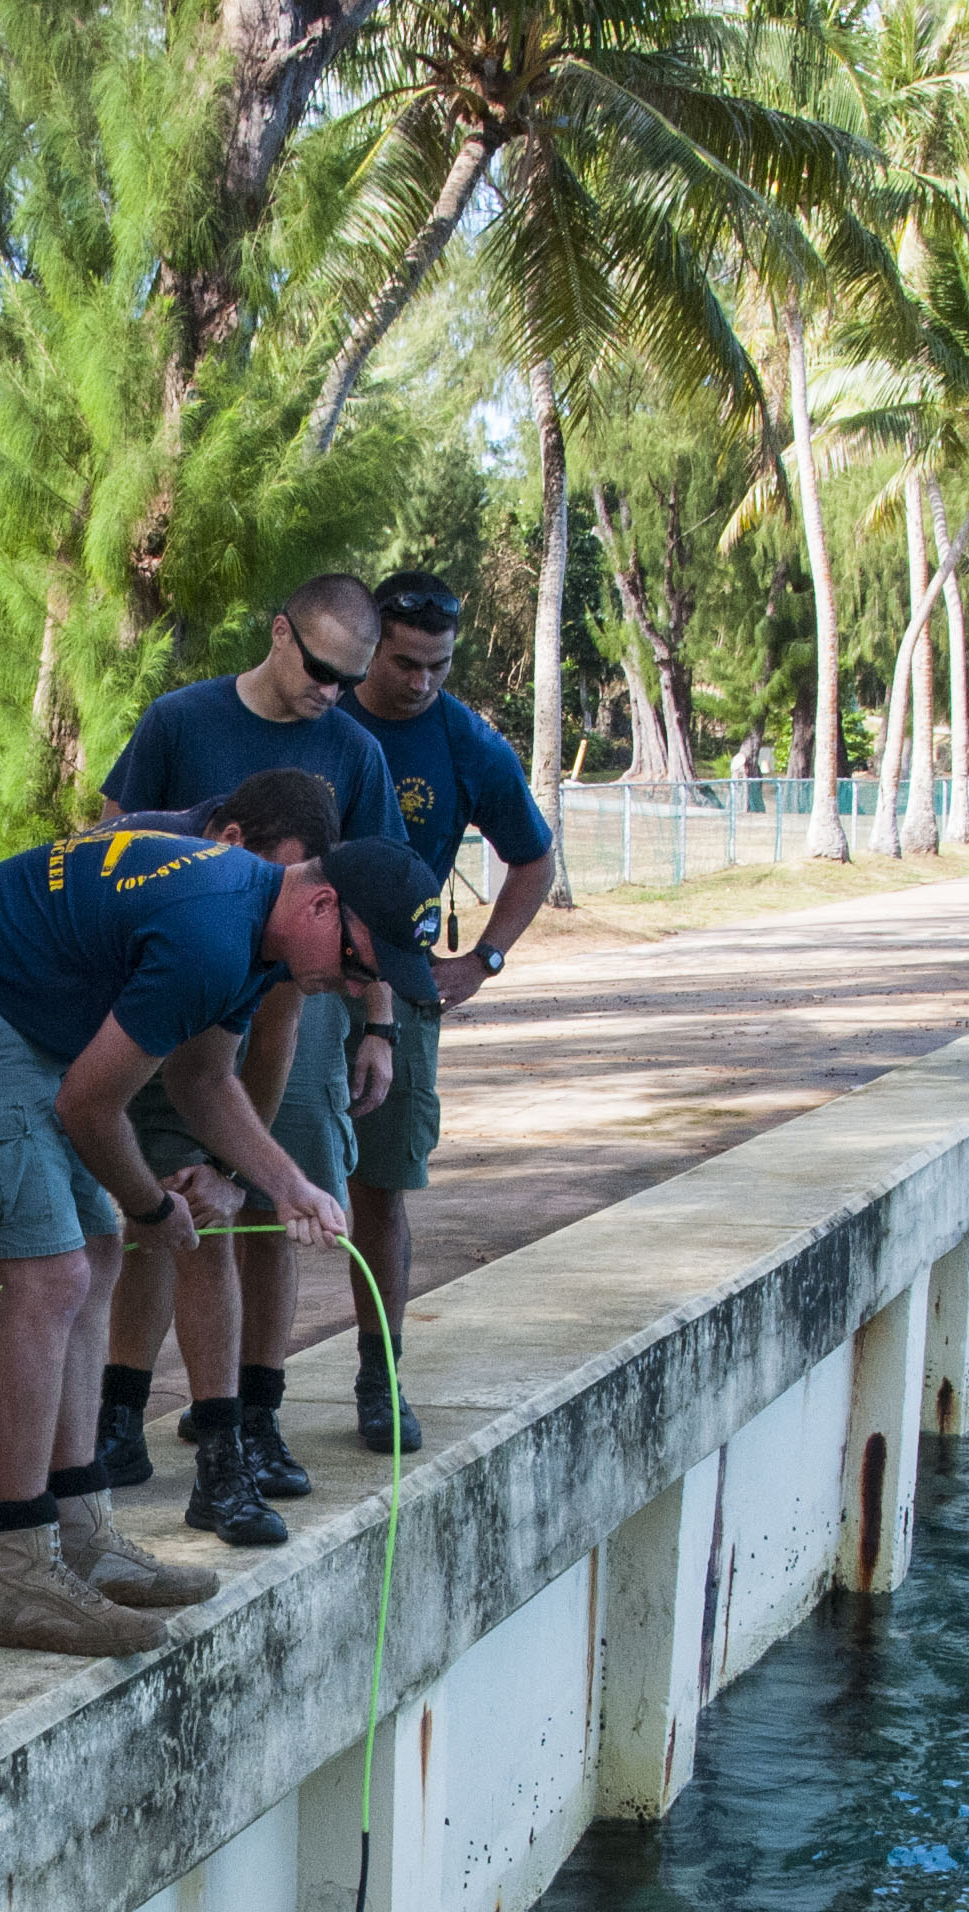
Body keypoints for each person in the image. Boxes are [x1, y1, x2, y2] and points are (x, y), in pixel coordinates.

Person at [0, 825, 442, 1658]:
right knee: (52, 1272)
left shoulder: (256, 933)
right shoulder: (211, 934)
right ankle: (21, 1571)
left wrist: (286, 1184)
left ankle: (83, 1530)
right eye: (359, 965)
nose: (354, 989)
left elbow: (202, 1080)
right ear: (322, 904)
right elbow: (89, 1109)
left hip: (16, 1014)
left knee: (92, 1255)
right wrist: (151, 1208)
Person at [0, 768, 341, 1558]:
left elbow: (253, 1047)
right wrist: (144, 1197)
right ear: (231, 843)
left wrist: (245, 1172)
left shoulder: (290, 917)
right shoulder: (158, 860)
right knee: (29, 1241)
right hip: (82, 1039)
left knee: (193, 1228)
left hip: (182, 1044)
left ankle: (217, 1458)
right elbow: (84, 1088)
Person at [84, 575, 408, 1510]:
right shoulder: (180, 721)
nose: (332, 694)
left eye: (351, 679)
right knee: (156, 1202)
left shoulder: (354, 750)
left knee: (270, 1200)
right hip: (173, 985)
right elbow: (115, 844)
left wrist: (376, 1022)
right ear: (279, 633)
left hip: (295, 1000)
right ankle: (123, 1412)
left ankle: (253, 1417)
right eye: (319, 670)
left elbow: (373, 901)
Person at [340, 570, 557, 1452]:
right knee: (251, 1179)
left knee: (381, 1189)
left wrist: (484, 959)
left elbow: (533, 860)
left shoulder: (469, 741)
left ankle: (379, 1376)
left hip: (406, 983)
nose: (421, 682)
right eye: (403, 663)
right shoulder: (323, 709)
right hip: (289, 978)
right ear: (366, 646)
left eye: (439, 666)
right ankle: (238, 1393)